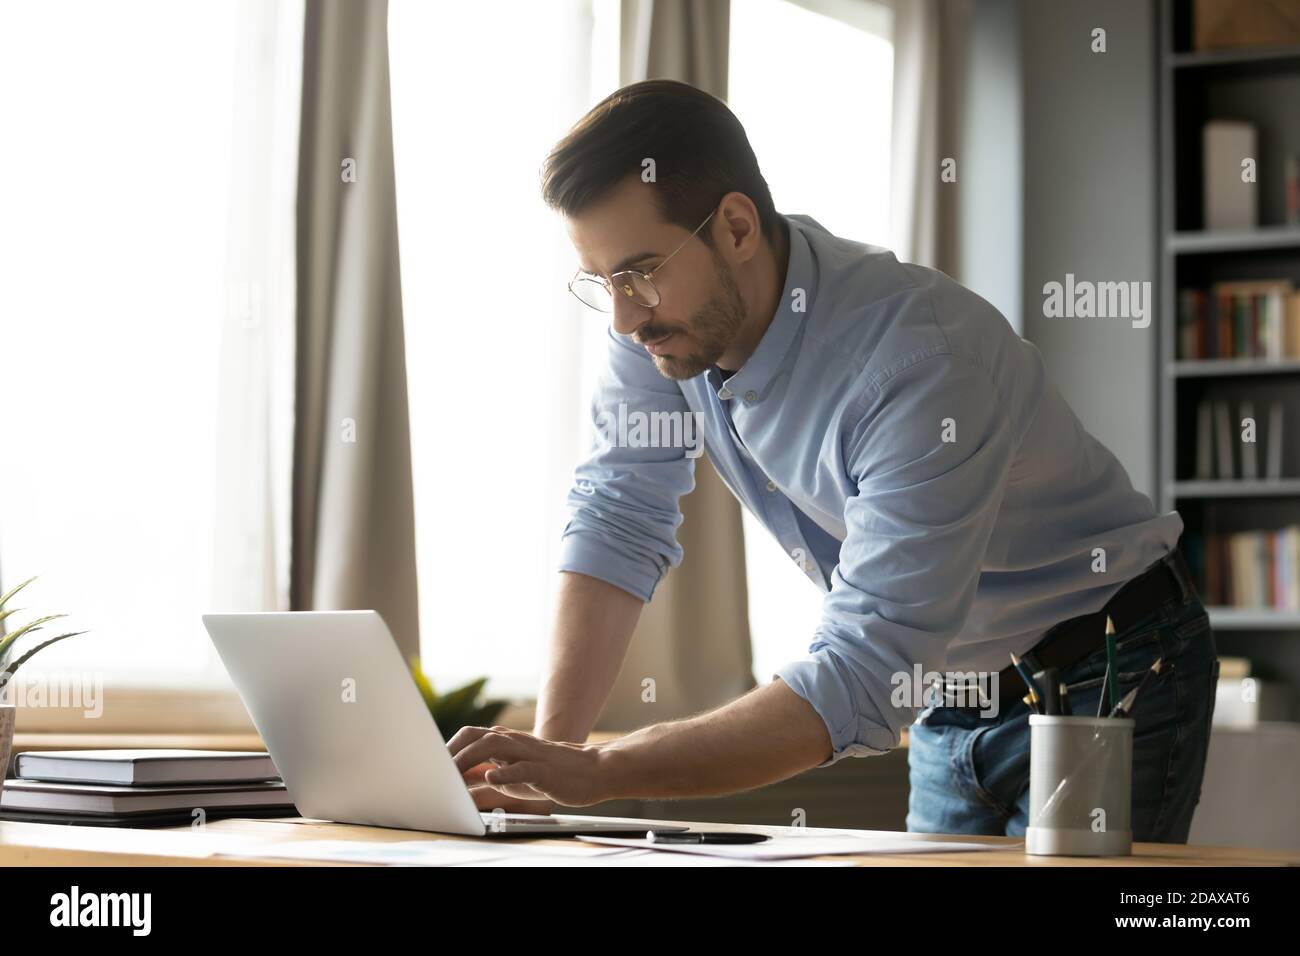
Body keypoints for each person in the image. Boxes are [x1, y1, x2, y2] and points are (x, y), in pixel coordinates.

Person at [448, 79, 1218, 840]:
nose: (621, 316)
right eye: (602, 280)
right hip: (944, 682)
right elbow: (617, 519)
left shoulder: (918, 364)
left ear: (738, 228)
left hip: (1112, 666)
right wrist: (542, 762)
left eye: (640, 272)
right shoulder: (659, 331)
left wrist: (607, 773)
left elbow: (861, 667)